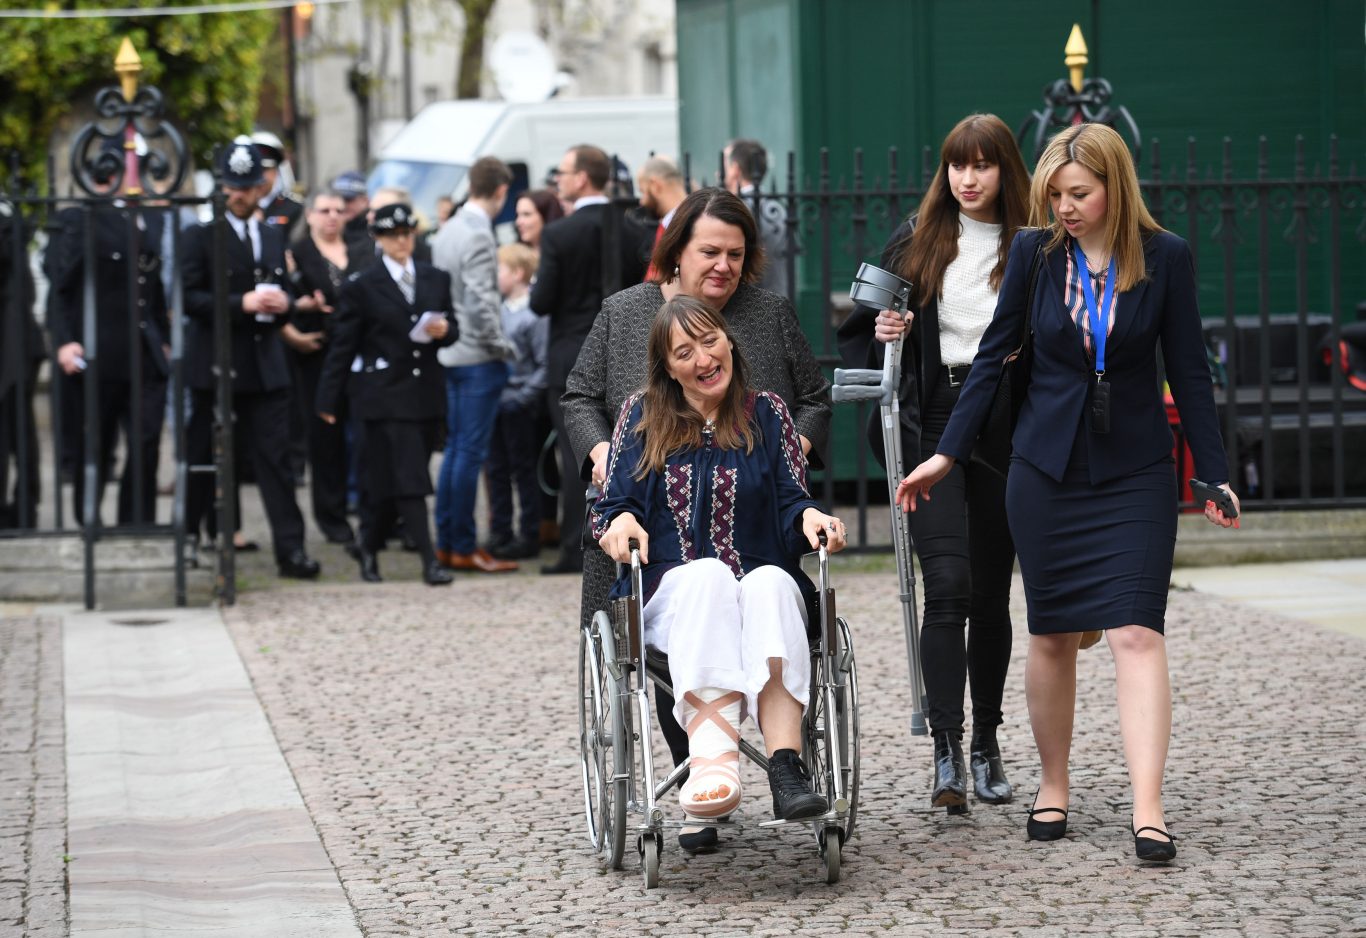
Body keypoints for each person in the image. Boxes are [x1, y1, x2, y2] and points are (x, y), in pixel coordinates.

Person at [897, 123, 1240, 863]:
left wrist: (1212, 472)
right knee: (1052, 635)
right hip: (1045, 470)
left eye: (1079, 194)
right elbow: (992, 357)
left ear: (1115, 187)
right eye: (1055, 195)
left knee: (1136, 632)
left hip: (1136, 471)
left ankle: (1148, 807)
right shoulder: (1035, 253)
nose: (1064, 208)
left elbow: (1191, 369)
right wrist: (946, 454)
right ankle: (1054, 786)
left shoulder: (1166, 256)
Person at [562, 185, 831, 851]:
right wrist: (609, 478)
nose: (724, 264)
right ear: (677, 250)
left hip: (757, 544)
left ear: (729, 343)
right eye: (710, 251)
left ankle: (786, 766)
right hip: (669, 565)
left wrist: (801, 489)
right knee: (703, 581)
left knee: (771, 583)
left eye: (736, 254)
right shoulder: (635, 370)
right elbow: (580, 401)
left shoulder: (766, 392)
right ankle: (705, 771)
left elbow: (811, 412)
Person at [836, 114, 1032, 815]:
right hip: (934, 420)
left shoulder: (1033, 244)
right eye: (957, 165)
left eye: (982, 165)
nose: (968, 179)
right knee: (947, 584)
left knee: (991, 593)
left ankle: (987, 743)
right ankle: (947, 748)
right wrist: (887, 328)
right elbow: (860, 327)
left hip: (1008, 426)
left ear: (1006, 171)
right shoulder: (917, 239)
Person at [181, 138, 320, 579]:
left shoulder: (273, 235)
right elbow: (190, 297)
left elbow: (285, 289)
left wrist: (286, 303)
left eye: (248, 187)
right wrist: (240, 303)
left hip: (265, 364)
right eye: (233, 187)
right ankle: (189, 537)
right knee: (204, 456)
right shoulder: (200, 236)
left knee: (275, 461)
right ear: (222, 187)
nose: (240, 195)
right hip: (217, 363)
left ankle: (290, 549)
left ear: (260, 187)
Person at [316, 202, 457, 586]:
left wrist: (446, 331)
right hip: (382, 395)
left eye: (406, 233)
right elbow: (344, 345)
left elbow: (451, 326)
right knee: (409, 478)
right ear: (378, 238)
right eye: (392, 235)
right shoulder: (362, 285)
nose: (401, 241)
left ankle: (367, 546)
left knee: (385, 481)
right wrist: (328, 398)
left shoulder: (435, 278)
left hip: (425, 393)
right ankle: (429, 561)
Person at [530, 144, 651, 575]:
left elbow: (541, 302)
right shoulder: (634, 229)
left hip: (571, 350)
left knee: (576, 453)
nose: (557, 181)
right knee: (630, 446)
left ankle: (575, 546)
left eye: (562, 173)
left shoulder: (559, 233)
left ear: (582, 178)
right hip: (626, 349)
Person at [48, 197, 171, 528]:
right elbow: (62, 287)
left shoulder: (152, 219)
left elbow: (153, 285)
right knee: (98, 443)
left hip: (145, 354)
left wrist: (164, 338)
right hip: (101, 353)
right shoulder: (86, 218)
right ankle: (89, 518)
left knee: (146, 440)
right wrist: (64, 340)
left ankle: (136, 522)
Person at [431, 156, 519, 573]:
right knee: (468, 452)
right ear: (501, 191)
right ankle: (463, 545)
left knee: (455, 451)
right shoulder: (479, 234)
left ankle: (448, 542)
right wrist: (502, 346)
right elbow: (483, 302)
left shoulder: (447, 228)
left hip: (450, 351)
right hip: (477, 356)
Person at [285, 190, 371, 545]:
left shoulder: (361, 248)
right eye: (324, 210)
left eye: (338, 210)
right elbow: (284, 303)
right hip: (318, 353)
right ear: (310, 215)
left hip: (360, 352)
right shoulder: (298, 254)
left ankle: (371, 512)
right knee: (325, 438)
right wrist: (300, 308)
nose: (333, 216)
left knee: (366, 437)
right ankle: (332, 516)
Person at [486, 242, 548, 560]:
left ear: (518, 273)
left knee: (523, 470)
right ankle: (500, 530)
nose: (495, 275)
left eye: (500, 269)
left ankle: (528, 533)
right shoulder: (497, 310)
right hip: (495, 401)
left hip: (519, 404)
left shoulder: (533, 315)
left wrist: (523, 398)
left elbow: (544, 363)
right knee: (496, 469)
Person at [723, 138, 791, 300]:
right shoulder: (777, 208)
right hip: (779, 297)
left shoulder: (737, 209)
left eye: (725, 165)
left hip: (748, 302)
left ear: (734, 170)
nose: (718, 173)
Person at [636, 156, 688, 281]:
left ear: (655, 186)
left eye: (643, 191)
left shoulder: (683, 224)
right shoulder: (676, 221)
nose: (642, 201)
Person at [252, 131, 303, 241]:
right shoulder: (239, 207)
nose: (261, 176)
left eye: (265, 169)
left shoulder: (293, 208)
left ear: (276, 171)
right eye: (256, 170)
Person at [332, 171, 371, 246]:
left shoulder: (375, 231)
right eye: (339, 199)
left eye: (348, 199)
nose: (343, 205)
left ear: (365, 201)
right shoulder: (328, 230)